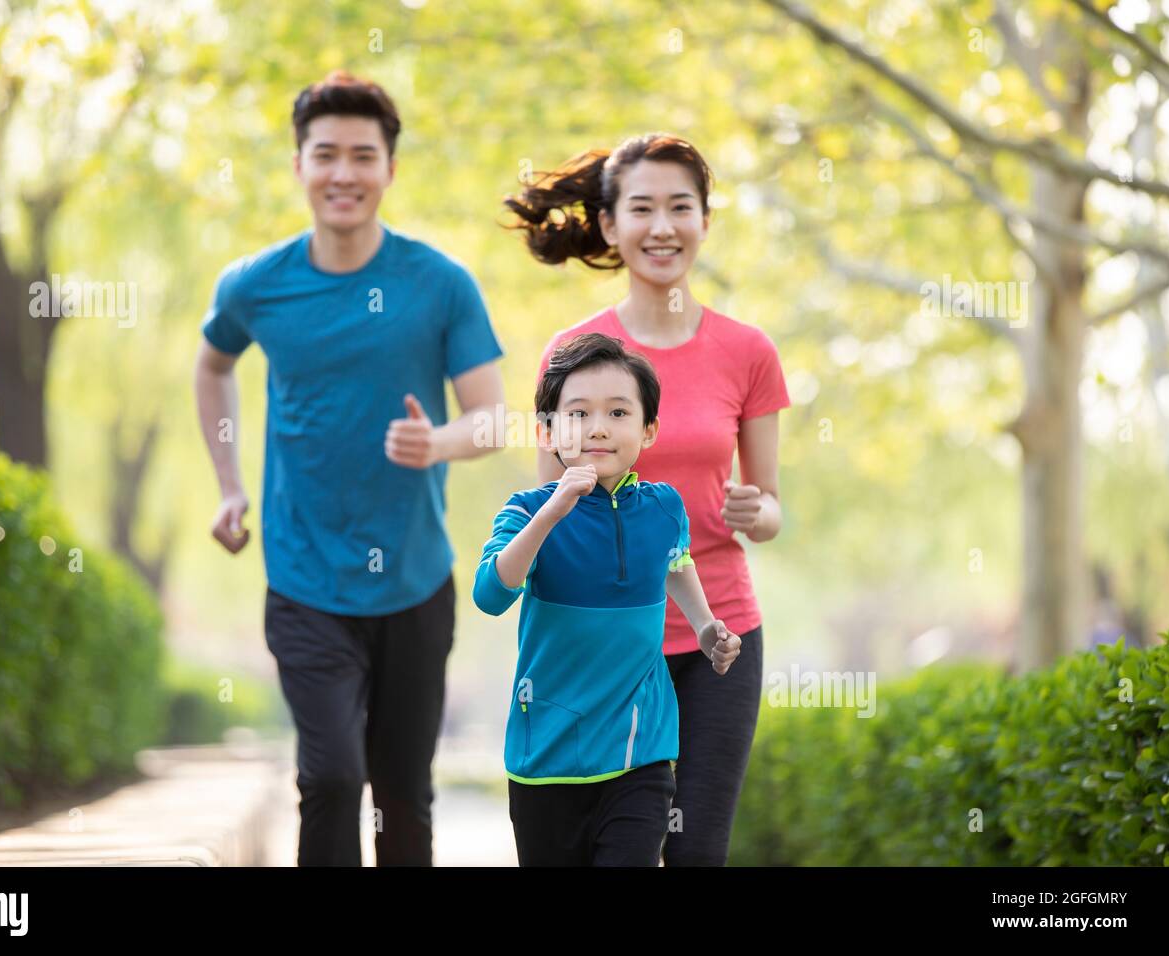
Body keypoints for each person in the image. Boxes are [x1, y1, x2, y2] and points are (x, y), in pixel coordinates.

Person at [193, 70, 507, 866]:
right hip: (305, 580)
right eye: (324, 154)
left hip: (415, 579)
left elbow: (493, 419)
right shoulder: (256, 285)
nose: (343, 173)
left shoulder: (439, 284)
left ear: (389, 170)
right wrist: (230, 484)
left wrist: (438, 443)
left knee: (403, 796)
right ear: (298, 165)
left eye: (362, 155)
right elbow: (212, 365)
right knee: (331, 776)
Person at [504, 133, 791, 865]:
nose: (662, 226)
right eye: (642, 207)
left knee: (695, 851)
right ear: (608, 225)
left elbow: (770, 508)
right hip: (600, 647)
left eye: (680, 207)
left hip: (714, 637)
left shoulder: (747, 351)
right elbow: (549, 508)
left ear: (704, 220)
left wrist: (755, 511)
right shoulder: (575, 352)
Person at [472, 332, 742, 866]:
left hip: (639, 752)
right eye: (578, 414)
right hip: (546, 756)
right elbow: (490, 593)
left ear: (649, 429)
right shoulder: (526, 512)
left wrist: (708, 626)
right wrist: (554, 510)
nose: (598, 427)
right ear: (548, 431)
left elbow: (676, 563)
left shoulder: (665, 506)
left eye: (619, 412)